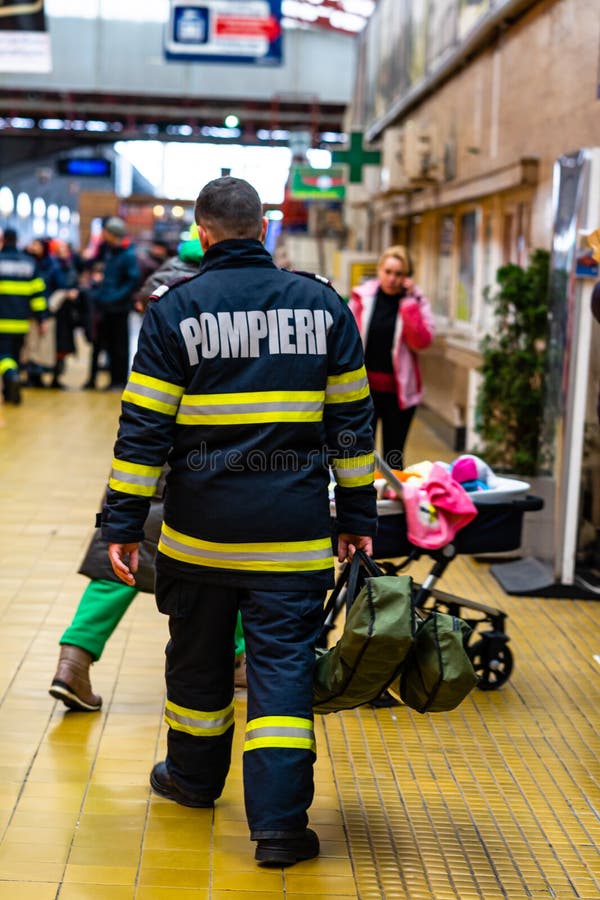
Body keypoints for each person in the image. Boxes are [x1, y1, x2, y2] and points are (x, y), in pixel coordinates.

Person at [101, 176, 376, 867]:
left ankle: (192, 781)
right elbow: (351, 422)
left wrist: (123, 526)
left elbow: (142, 434)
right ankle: (280, 828)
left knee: (197, 663)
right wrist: (358, 512)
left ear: (202, 230)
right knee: (282, 675)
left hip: (200, 538)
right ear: (264, 229)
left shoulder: (176, 312)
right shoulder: (323, 306)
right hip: (293, 539)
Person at [349, 245, 435, 468]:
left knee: (393, 456)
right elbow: (347, 337)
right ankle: (364, 499)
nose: (392, 279)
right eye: (388, 272)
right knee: (360, 452)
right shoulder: (362, 298)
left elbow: (422, 342)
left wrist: (408, 304)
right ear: (379, 271)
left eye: (399, 274)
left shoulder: (415, 301)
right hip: (364, 391)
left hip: (399, 395)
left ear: (407, 278)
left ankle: (392, 499)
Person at [86, 217, 140, 391]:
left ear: (112, 234)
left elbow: (133, 281)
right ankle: (112, 380)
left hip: (119, 308)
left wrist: (115, 296)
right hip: (106, 306)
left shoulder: (127, 255)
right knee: (108, 344)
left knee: (120, 346)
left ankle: (119, 381)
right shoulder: (111, 252)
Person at [0, 227, 48, 405]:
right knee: (14, 355)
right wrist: (41, 318)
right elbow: (38, 295)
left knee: (3, 357)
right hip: (21, 322)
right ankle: (10, 391)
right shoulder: (29, 263)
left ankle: (12, 377)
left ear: (3, 240)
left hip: (1, 322)